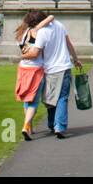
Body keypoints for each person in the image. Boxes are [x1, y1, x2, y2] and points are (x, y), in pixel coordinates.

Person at [22, 8, 82, 139]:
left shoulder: (41, 32)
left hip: (50, 69)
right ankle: (58, 126)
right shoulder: (59, 24)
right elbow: (69, 44)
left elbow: (36, 53)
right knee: (62, 98)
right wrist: (76, 59)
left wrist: (22, 55)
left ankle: (52, 124)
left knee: (51, 99)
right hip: (65, 67)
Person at [14, 12, 56, 140]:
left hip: (23, 68)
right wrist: (46, 18)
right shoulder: (35, 31)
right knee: (34, 101)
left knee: (27, 100)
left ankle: (30, 128)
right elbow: (51, 17)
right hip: (35, 69)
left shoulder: (21, 33)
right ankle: (26, 126)